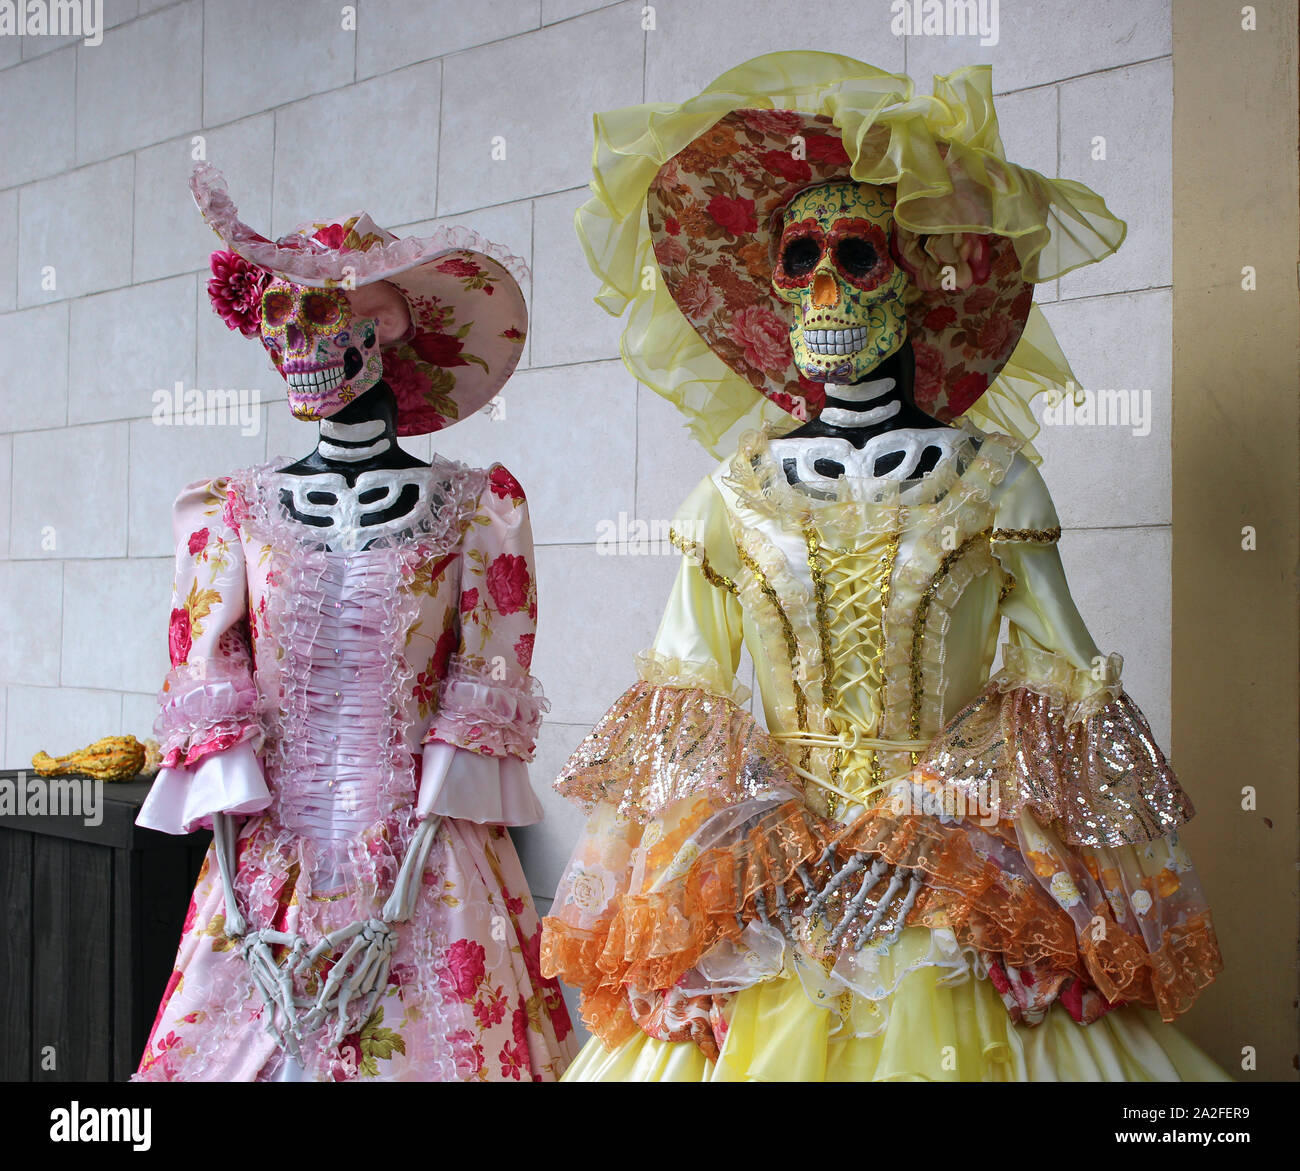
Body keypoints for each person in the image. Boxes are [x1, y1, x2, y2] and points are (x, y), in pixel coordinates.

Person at [541, 52, 1226, 1081]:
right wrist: (760, 831)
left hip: (953, 874)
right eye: (797, 256)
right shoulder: (727, 497)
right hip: (774, 876)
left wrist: (929, 815)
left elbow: (1057, 689)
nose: (821, 284)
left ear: (909, 284)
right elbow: (688, 696)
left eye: (852, 255)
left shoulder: (995, 484)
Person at [134, 165, 574, 1081]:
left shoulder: (475, 507)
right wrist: (244, 913)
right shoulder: (230, 511)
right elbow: (212, 694)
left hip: (431, 865)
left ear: (386, 325)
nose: (294, 341)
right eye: (277, 319)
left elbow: (482, 690)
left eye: (323, 315)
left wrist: (403, 885)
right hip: (262, 883)